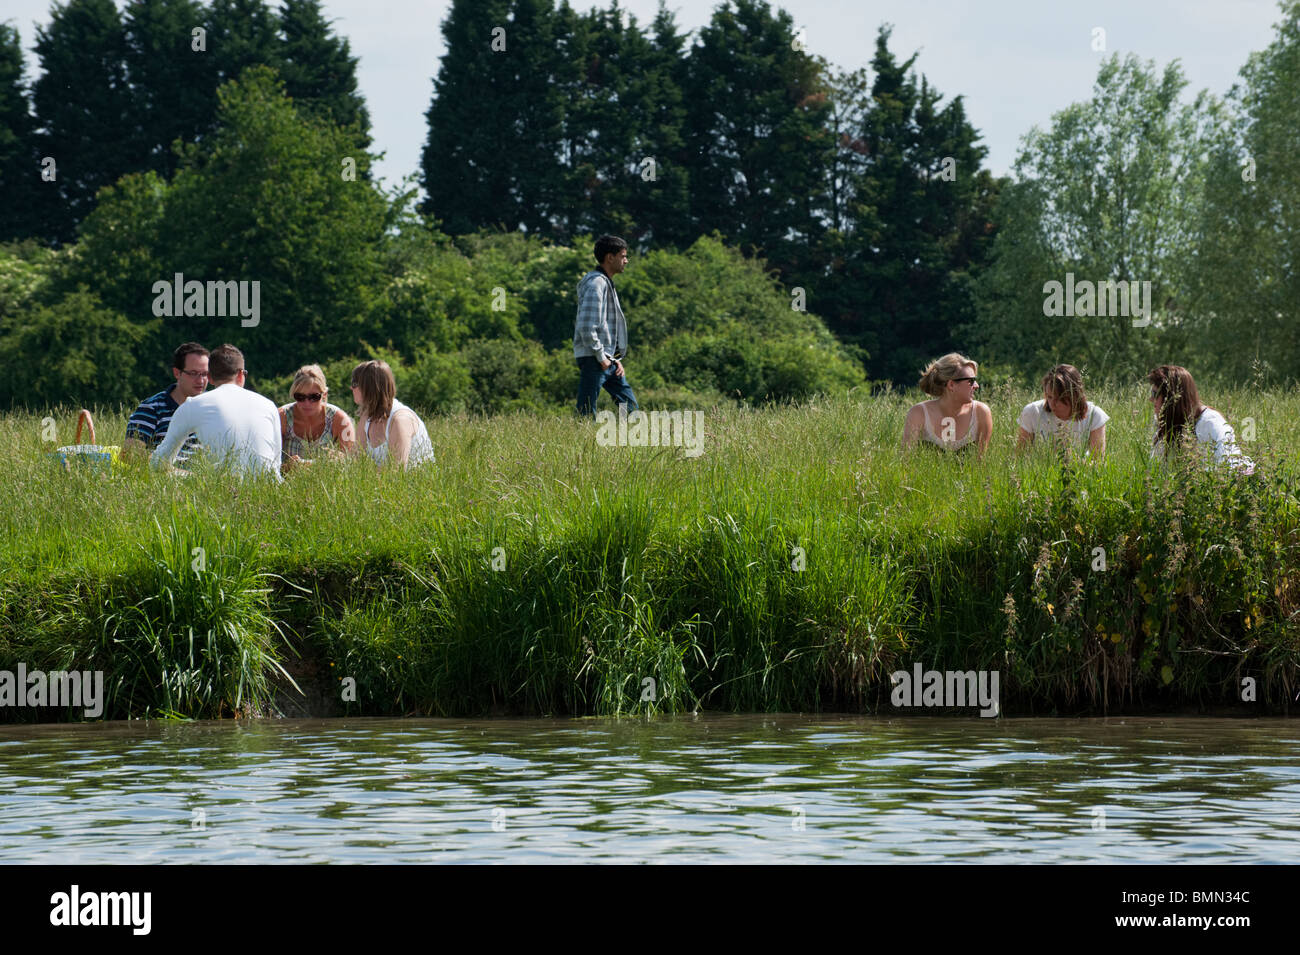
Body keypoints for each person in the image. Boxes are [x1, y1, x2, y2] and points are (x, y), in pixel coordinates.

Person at [151, 344, 282, 479]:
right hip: (272, 491)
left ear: (210, 377)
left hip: (226, 490)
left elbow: (158, 464)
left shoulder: (193, 405)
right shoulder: (268, 405)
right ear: (241, 375)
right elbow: (276, 463)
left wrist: (196, 478)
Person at [574, 234, 638, 417]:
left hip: (606, 358)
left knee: (629, 406)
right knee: (586, 412)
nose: (626, 261)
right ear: (610, 257)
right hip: (594, 358)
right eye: (623, 256)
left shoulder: (605, 282)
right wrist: (602, 358)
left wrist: (614, 359)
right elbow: (586, 326)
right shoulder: (596, 284)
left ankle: (628, 442)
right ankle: (582, 443)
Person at [1148, 365, 1254, 474]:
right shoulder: (1164, 422)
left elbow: (1230, 466)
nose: (1151, 399)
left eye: (1155, 394)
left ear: (1171, 396)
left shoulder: (1210, 422)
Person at [123, 342, 209, 465]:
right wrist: (171, 470)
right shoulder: (151, 408)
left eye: (205, 374)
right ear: (177, 373)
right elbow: (130, 455)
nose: (200, 380)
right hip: (165, 479)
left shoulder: (214, 408)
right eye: (193, 373)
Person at [902, 352, 993, 455]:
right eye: (971, 381)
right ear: (951, 385)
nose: (976, 386)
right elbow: (905, 462)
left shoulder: (981, 412)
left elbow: (982, 464)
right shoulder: (919, 413)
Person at [350, 360, 434, 469]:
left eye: (354, 383)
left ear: (369, 387)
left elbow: (396, 473)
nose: (351, 388)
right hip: (381, 484)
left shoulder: (400, 420)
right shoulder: (367, 416)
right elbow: (356, 460)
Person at [1016, 364, 1109, 458]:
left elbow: (1098, 462)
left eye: (1058, 398)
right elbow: (1020, 457)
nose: (1052, 404)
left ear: (1074, 396)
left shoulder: (1095, 416)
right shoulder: (1032, 412)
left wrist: (1075, 464)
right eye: (1049, 397)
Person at [278, 364, 356, 470]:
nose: (307, 403)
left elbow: (350, 462)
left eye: (314, 397)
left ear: (324, 394)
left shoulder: (340, 420)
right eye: (300, 397)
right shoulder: (282, 417)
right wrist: (288, 467)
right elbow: (269, 462)